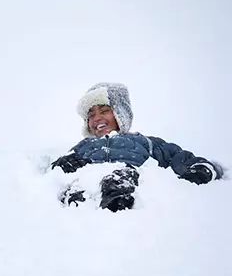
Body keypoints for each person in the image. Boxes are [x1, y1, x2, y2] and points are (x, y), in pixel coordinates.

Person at [50, 83, 224, 212]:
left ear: (120, 113)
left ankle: (117, 205)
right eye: (91, 115)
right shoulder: (82, 146)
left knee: (121, 174)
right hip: (87, 185)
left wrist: (200, 170)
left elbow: (177, 156)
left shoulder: (145, 142)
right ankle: (76, 211)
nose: (97, 118)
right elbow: (50, 178)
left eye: (104, 111)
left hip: (124, 179)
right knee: (77, 185)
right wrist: (64, 163)